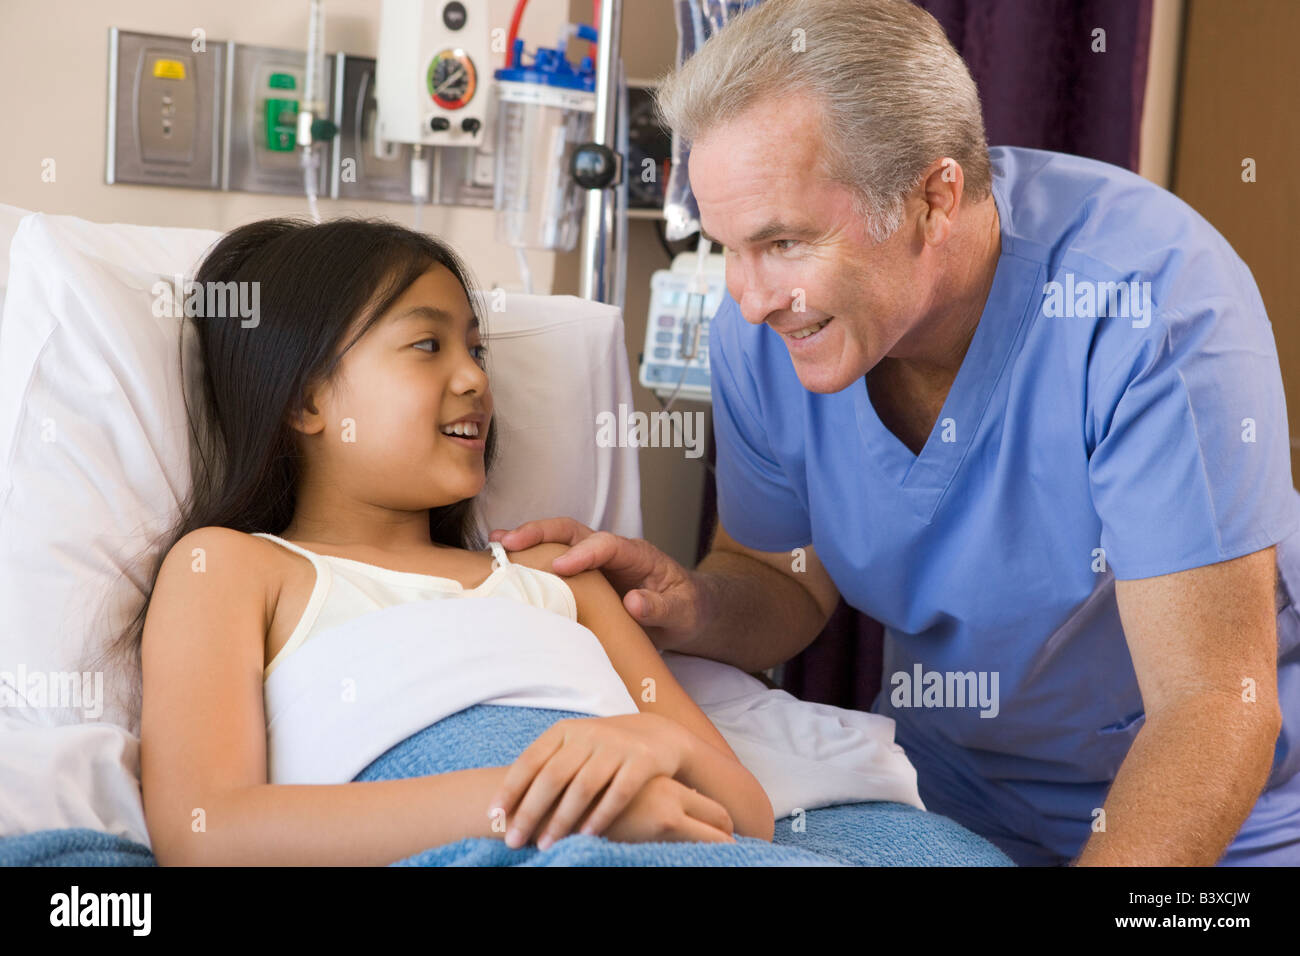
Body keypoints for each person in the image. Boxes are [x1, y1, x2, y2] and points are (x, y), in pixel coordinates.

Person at [492, 0, 1300, 865]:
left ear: (933, 197)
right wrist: (691, 605)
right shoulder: (763, 335)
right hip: (937, 799)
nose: (750, 297)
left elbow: (1214, 704)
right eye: (728, 245)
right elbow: (783, 576)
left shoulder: (1148, 307)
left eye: (785, 241)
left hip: (1213, 823)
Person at [119, 217, 786, 865]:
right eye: (428, 346)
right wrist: (558, 805)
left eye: (476, 350)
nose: (474, 379)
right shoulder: (231, 567)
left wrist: (654, 743)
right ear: (308, 400)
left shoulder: (557, 576)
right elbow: (206, 834)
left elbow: (748, 816)